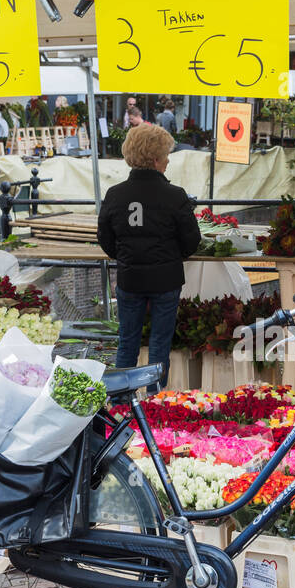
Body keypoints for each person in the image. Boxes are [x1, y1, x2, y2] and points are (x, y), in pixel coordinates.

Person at [97, 123, 200, 391]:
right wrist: (171, 255)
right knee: (159, 345)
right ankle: (155, 403)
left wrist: (125, 257)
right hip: (165, 280)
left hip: (130, 278)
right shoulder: (174, 195)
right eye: (166, 156)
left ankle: (121, 401)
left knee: (127, 342)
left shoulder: (115, 194)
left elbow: (105, 238)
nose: (168, 161)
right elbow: (192, 242)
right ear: (155, 159)